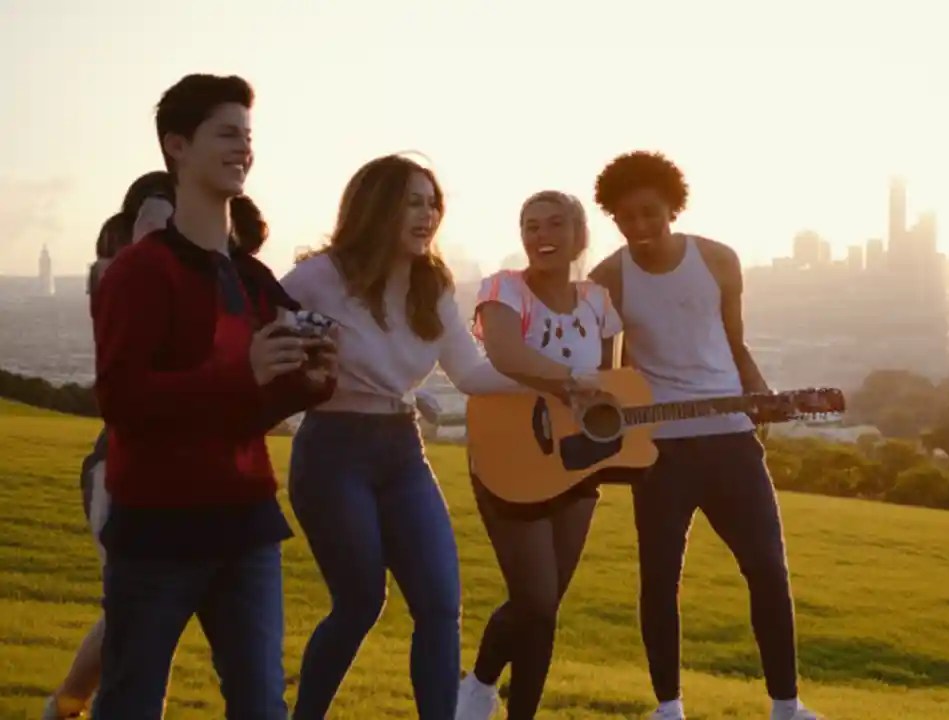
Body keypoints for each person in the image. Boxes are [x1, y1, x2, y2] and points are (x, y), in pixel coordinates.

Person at [280, 154, 573, 719]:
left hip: (400, 448)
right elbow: (256, 333)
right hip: (333, 450)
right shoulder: (320, 277)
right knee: (361, 601)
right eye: (412, 201)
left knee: (441, 605)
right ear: (375, 207)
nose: (427, 213)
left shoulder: (430, 284)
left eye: (432, 202)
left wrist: (557, 382)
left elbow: (470, 373)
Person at [88, 73, 337, 719]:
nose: (243, 149)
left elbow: (253, 405)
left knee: (261, 705)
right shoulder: (143, 272)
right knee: (132, 702)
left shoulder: (253, 276)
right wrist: (244, 374)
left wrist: (309, 380)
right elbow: (121, 399)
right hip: (156, 532)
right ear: (177, 146)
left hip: (247, 524)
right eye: (226, 133)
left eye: (248, 136)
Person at [587, 151, 823, 720]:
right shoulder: (608, 278)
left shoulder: (718, 260)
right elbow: (607, 377)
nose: (639, 229)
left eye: (649, 214)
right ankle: (668, 709)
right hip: (660, 450)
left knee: (767, 568)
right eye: (625, 219)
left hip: (731, 439)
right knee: (660, 578)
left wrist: (761, 395)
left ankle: (786, 708)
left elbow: (734, 345)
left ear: (673, 205)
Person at [454, 191, 621, 720]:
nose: (541, 235)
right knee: (535, 602)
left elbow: (613, 384)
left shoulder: (598, 299)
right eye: (530, 226)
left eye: (555, 224)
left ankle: (512, 708)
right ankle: (479, 683)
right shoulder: (503, 289)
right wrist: (571, 381)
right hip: (508, 454)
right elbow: (506, 354)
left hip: (573, 460)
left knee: (544, 611)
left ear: (578, 235)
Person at [44, 169, 175, 720]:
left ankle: (66, 706)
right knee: (139, 611)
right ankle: (69, 706)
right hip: (117, 471)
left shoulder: (207, 272)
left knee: (137, 611)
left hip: (186, 474)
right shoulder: (115, 276)